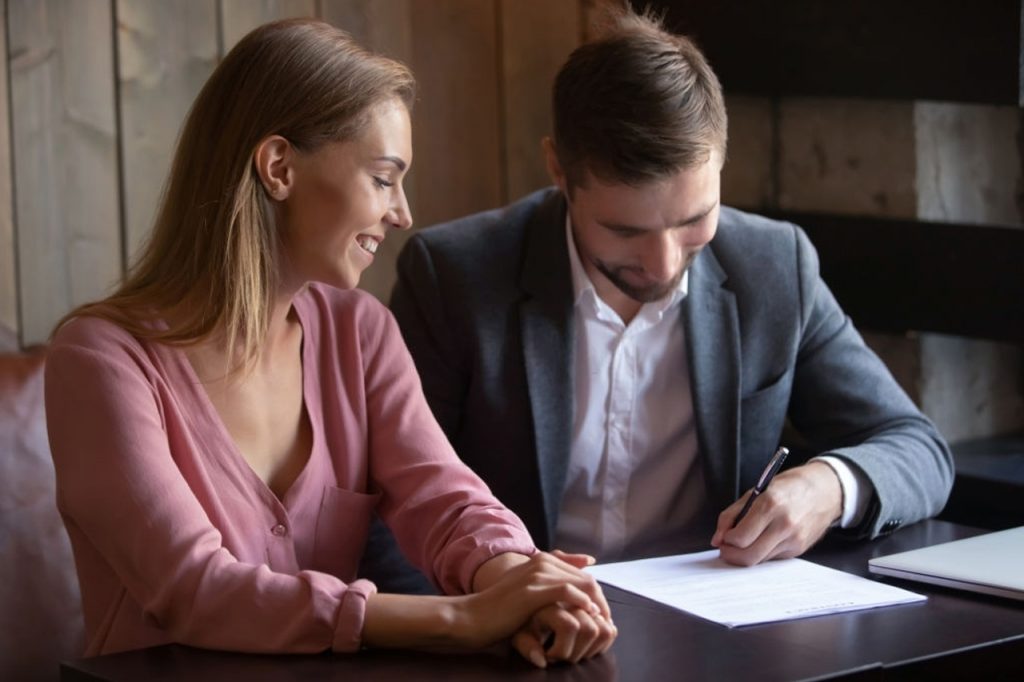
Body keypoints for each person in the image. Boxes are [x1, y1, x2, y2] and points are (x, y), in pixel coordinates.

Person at [44, 19, 615, 668]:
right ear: (279, 167)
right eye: (382, 178)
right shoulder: (99, 363)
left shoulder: (361, 332)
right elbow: (193, 589)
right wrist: (461, 617)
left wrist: (519, 581)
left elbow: (447, 500)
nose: (402, 213)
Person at [362, 7, 953, 590]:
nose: (665, 263)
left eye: (694, 220)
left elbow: (918, 448)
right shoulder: (455, 276)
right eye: (625, 231)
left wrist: (827, 485)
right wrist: (466, 631)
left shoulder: (774, 266)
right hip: (519, 628)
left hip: (718, 628)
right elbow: (390, 505)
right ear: (558, 172)